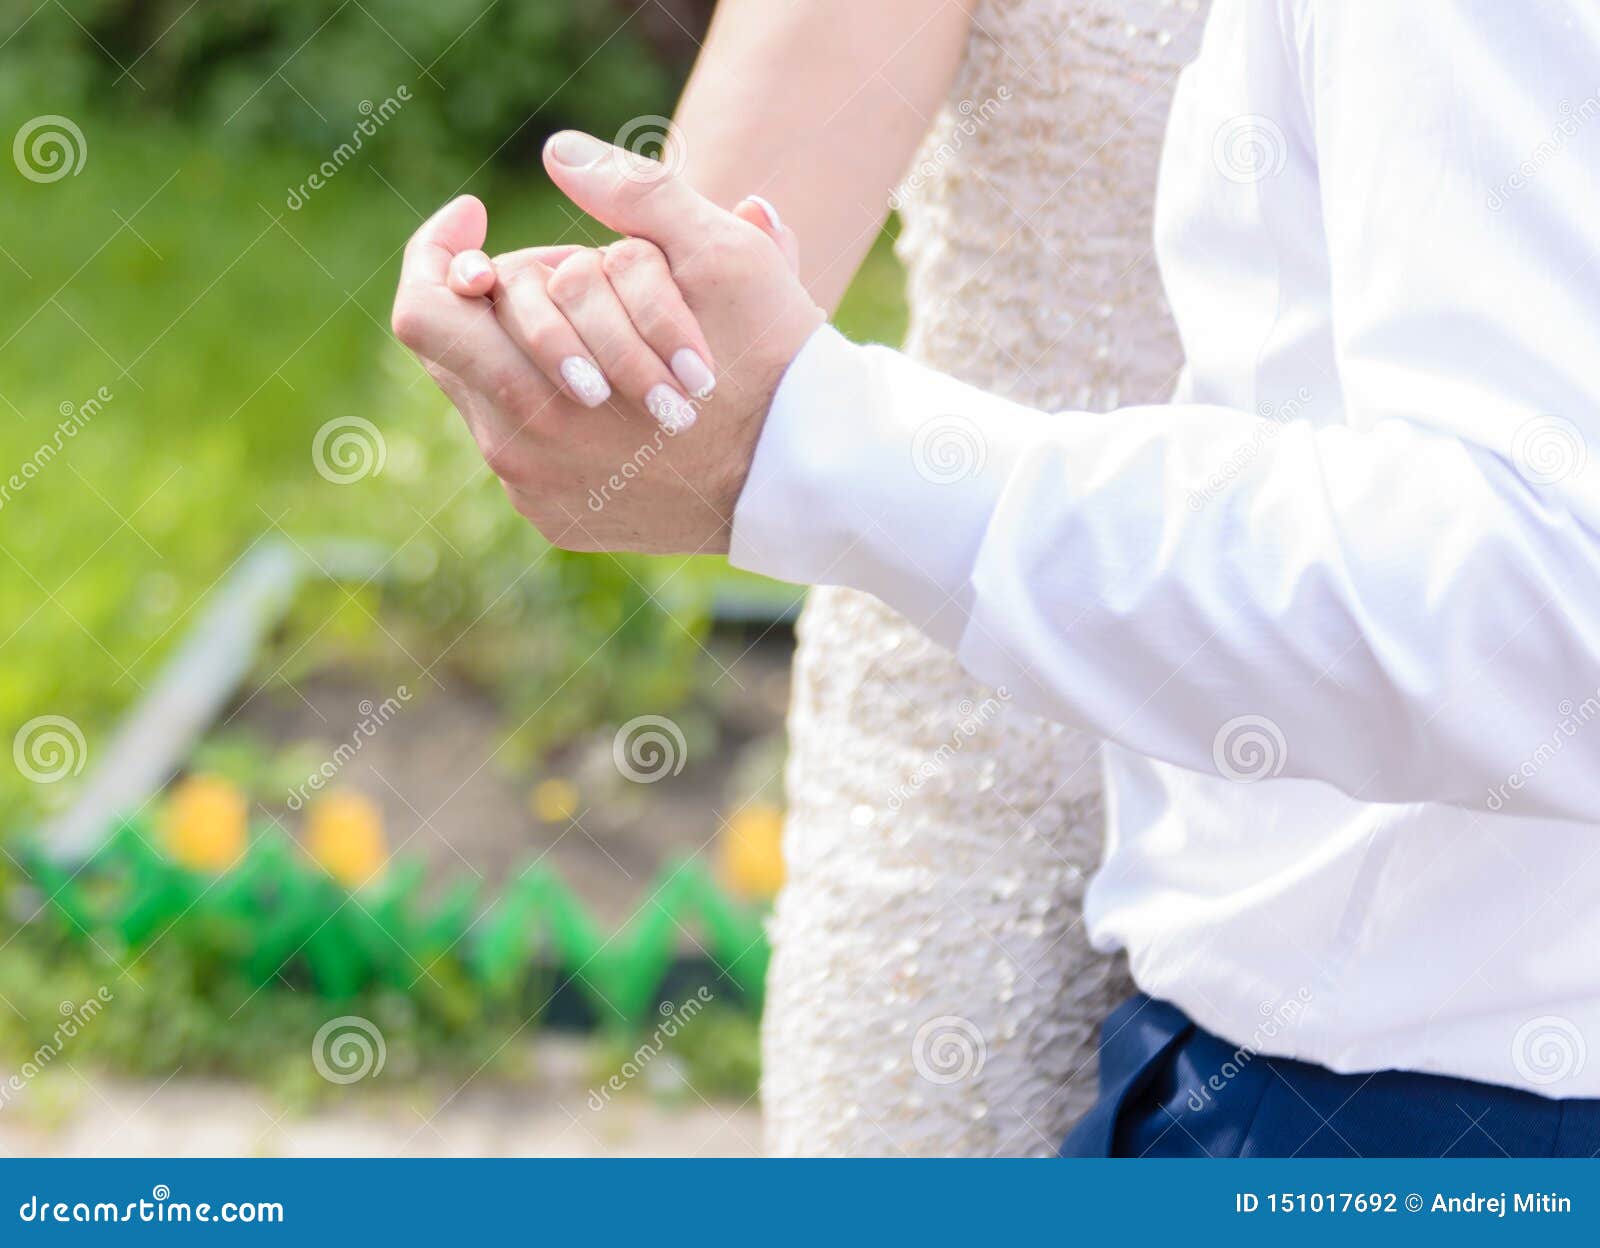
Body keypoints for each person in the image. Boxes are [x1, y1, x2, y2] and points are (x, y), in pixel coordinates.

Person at [394, 0, 1600, 1156]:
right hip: (990, 721)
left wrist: (816, 443)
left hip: (1381, 809)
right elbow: (690, 325)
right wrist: (589, 347)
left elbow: (1542, 561)